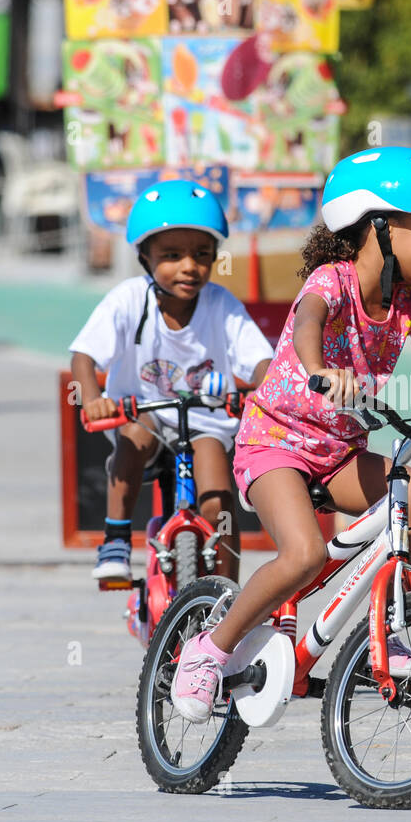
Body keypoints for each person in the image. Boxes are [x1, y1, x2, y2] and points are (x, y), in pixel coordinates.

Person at [169, 146, 411, 722]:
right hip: (275, 443)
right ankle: (208, 651)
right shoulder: (331, 280)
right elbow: (309, 320)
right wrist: (318, 369)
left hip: (339, 452)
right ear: (378, 227)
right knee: (305, 552)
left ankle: (392, 626)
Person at [69, 179, 273, 583]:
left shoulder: (222, 305)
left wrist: (268, 393)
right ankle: (115, 539)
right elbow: (84, 356)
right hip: (143, 411)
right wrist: (93, 397)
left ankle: (228, 588)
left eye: (202, 254)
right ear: (144, 256)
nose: (189, 266)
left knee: (219, 497)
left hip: (206, 422)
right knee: (133, 442)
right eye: (172, 255)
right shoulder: (129, 299)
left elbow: (261, 360)